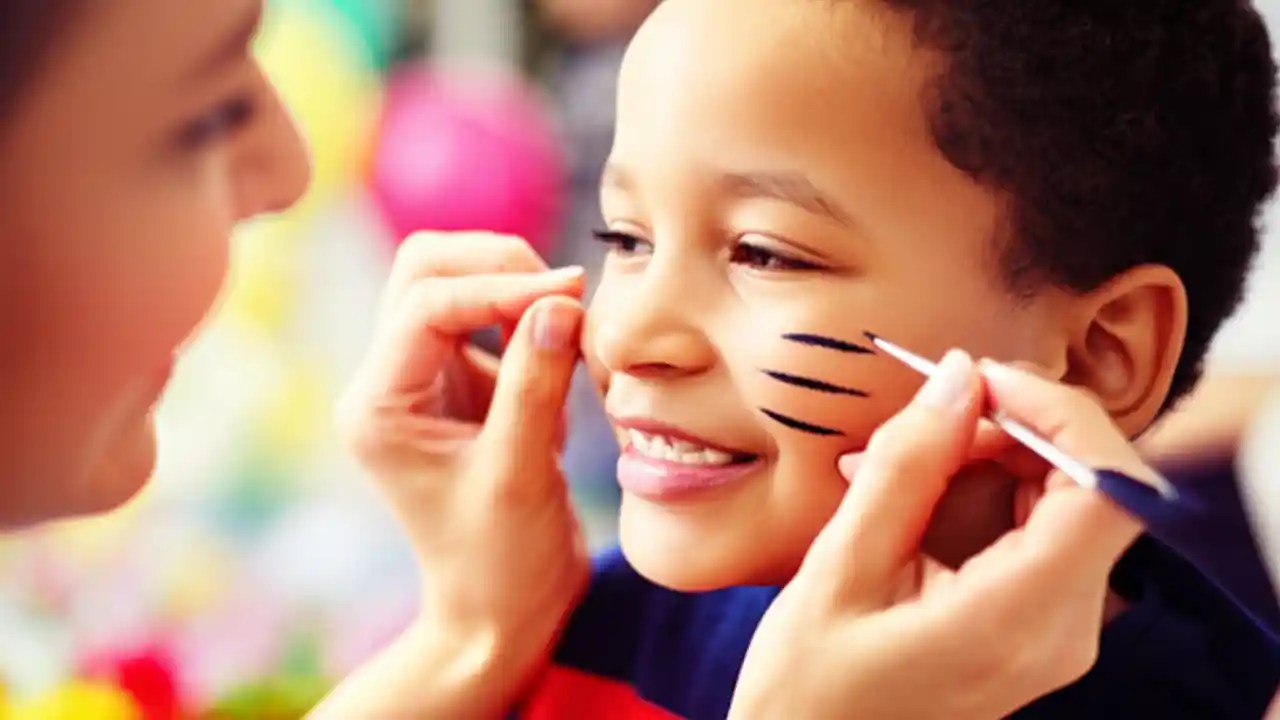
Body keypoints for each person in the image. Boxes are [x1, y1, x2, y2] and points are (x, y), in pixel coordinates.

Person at [1, 4, 1276, 720]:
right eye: (620, 234)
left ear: (1100, 352)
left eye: (767, 254)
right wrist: (466, 637)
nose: (626, 333)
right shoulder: (586, 636)